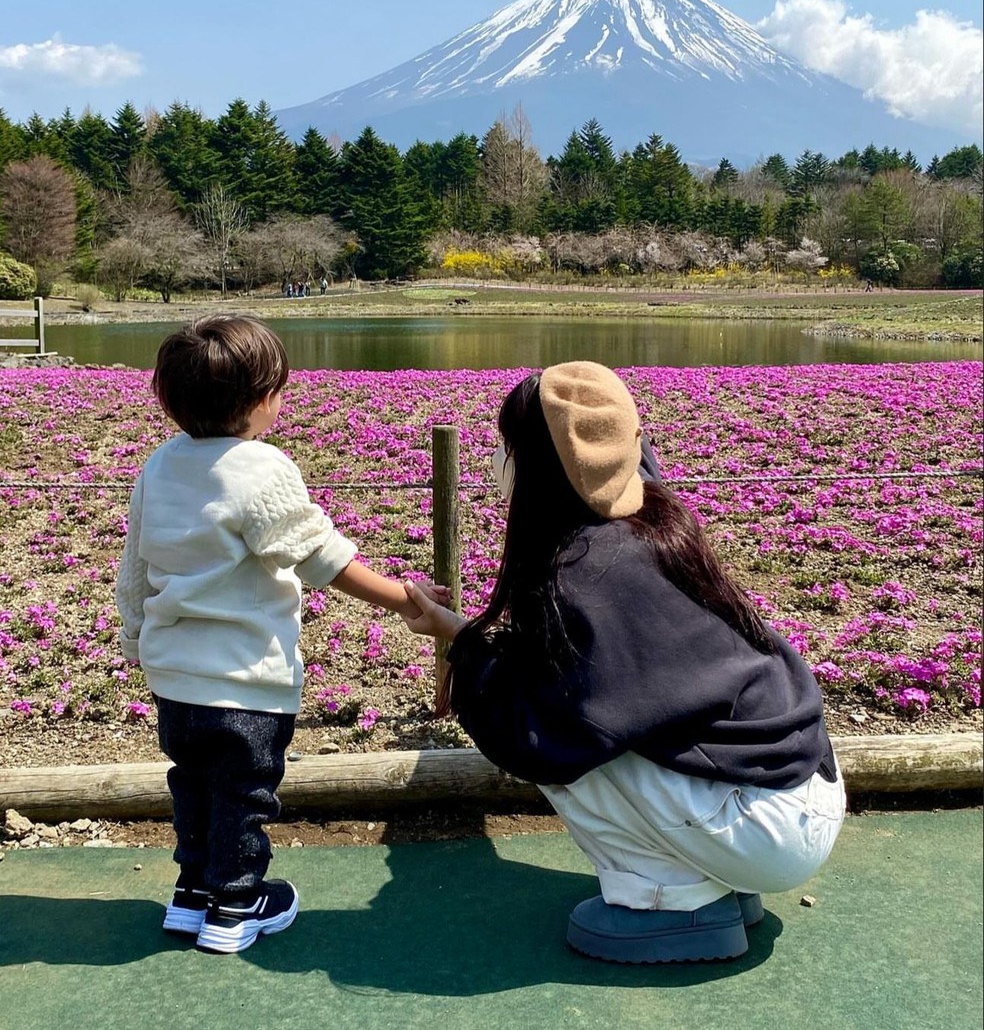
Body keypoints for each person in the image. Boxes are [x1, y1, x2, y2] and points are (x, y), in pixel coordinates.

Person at [404, 361, 845, 965]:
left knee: (569, 747)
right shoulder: (656, 518)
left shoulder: (585, 573)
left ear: (539, 465)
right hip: (799, 791)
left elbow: (541, 735)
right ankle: (722, 881)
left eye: (508, 448)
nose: (498, 463)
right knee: (600, 723)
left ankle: (676, 902)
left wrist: (458, 642)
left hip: (770, 830)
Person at [116, 315, 447, 955]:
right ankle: (238, 904)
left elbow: (135, 570)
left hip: (174, 675)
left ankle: (192, 894)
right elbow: (319, 556)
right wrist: (407, 598)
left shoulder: (160, 466)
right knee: (243, 791)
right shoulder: (261, 467)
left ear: (168, 397)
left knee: (192, 783)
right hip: (246, 679)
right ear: (263, 398)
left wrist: (137, 641)